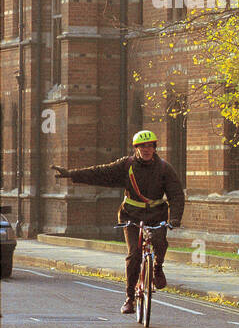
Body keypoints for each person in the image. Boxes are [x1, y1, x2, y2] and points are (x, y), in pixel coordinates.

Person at [52, 130, 185, 315]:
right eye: (142, 146)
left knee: (160, 242)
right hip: (131, 215)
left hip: (156, 214)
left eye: (150, 146)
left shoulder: (164, 168)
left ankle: (158, 268)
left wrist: (175, 218)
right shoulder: (127, 165)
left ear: (154, 148)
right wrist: (71, 174)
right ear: (136, 148)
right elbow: (100, 172)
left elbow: (176, 194)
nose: (146, 150)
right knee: (134, 254)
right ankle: (130, 298)